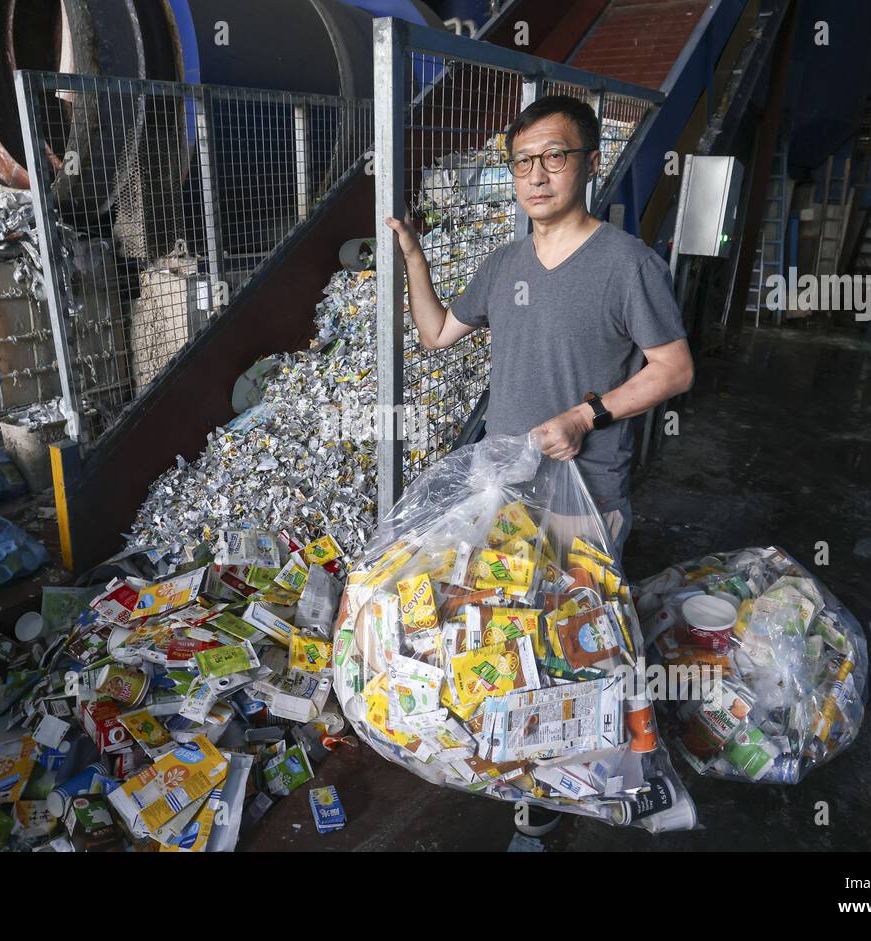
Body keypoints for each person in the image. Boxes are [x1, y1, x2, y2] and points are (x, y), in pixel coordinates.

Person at [384, 94, 694, 837]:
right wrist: (415, 262)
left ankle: (569, 797)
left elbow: (674, 369)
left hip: (585, 496)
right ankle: (520, 767)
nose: (537, 174)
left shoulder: (626, 264)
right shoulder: (501, 265)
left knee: (576, 646)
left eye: (555, 156)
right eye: (523, 161)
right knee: (512, 637)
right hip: (507, 496)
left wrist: (589, 413)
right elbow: (433, 336)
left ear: (588, 163)